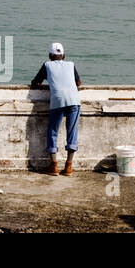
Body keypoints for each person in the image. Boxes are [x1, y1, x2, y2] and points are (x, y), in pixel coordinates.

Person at [30, 42, 82, 175]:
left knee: (53, 131)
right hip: (74, 100)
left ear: (50, 55)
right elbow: (78, 83)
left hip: (57, 101)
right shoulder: (71, 64)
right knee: (72, 133)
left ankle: (53, 166)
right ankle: (69, 167)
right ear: (63, 56)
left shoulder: (47, 65)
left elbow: (36, 82)